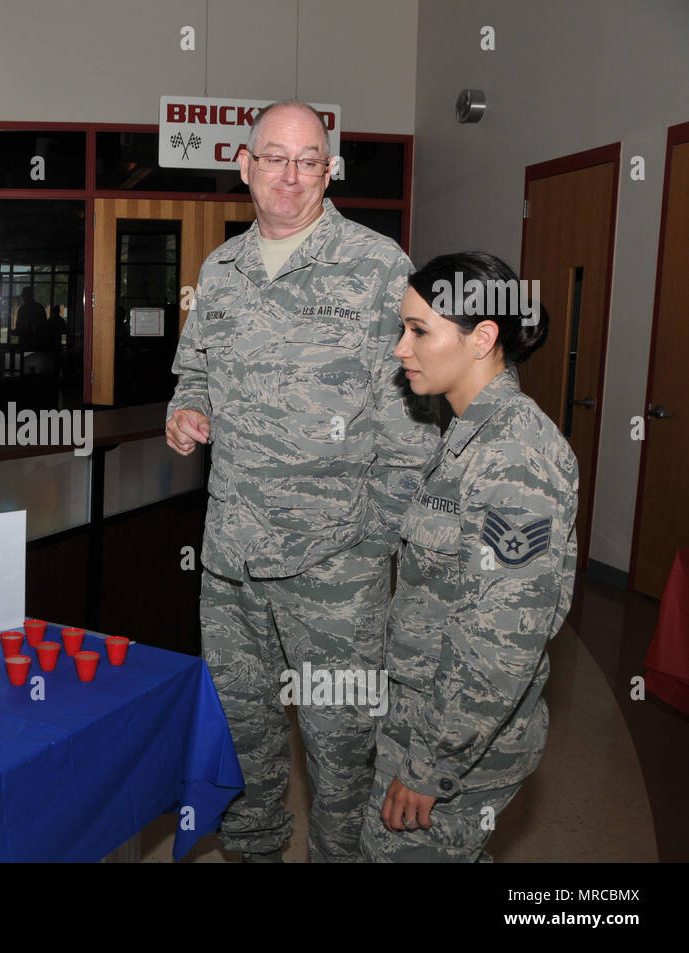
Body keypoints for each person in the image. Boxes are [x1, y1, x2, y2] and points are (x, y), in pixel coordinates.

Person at [166, 100, 438, 862]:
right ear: (244, 166)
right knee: (242, 744)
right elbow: (192, 374)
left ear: (329, 169)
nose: (289, 174)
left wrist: (368, 545)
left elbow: (413, 424)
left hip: (335, 576)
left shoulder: (381, 266)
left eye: (307, 159)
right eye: (274, 157)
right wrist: (183, 414)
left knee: (341, 758)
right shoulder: (219, 271)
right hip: (231, 567)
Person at [361, 251, 577, 861]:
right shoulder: (464, 432)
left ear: (482, 337)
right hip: (426, 714)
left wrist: (430, 766)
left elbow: (502, 640)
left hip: (457, 742)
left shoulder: (515, 457)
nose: (401, 349)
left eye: (419, 331)